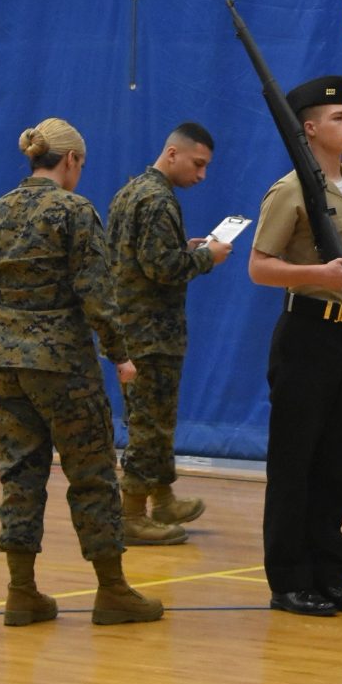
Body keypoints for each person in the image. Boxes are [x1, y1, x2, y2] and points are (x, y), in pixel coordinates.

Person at [0, 117, 163, 626]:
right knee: (91, 474)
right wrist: (120, 355)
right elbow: (97, 294)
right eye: (81, 164)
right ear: (70, 160)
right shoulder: (75, 211)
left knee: (20, 475)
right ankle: (112, 591)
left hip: (3, 362)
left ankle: (21, 592)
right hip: (62, 365)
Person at [248, 75, 342, 617]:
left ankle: (329, 573)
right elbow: (260, 266)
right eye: (339, 118)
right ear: (309, 128)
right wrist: (316, 273)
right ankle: (290, 579)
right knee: (296, 464)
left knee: (337, 465)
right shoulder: (290, 190)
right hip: (305, 333)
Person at [107, 122, 232, 545]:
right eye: (198, 164)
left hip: (135, 328)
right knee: (149, 424)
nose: (201, 175)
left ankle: (161, 498)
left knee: (156, 419)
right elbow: (161, 269)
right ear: (173, 153)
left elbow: (140, 257)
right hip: (151, 333)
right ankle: (131, 514)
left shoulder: (132, 191)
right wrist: (206, 258)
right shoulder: (158, 200)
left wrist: (187, 250)